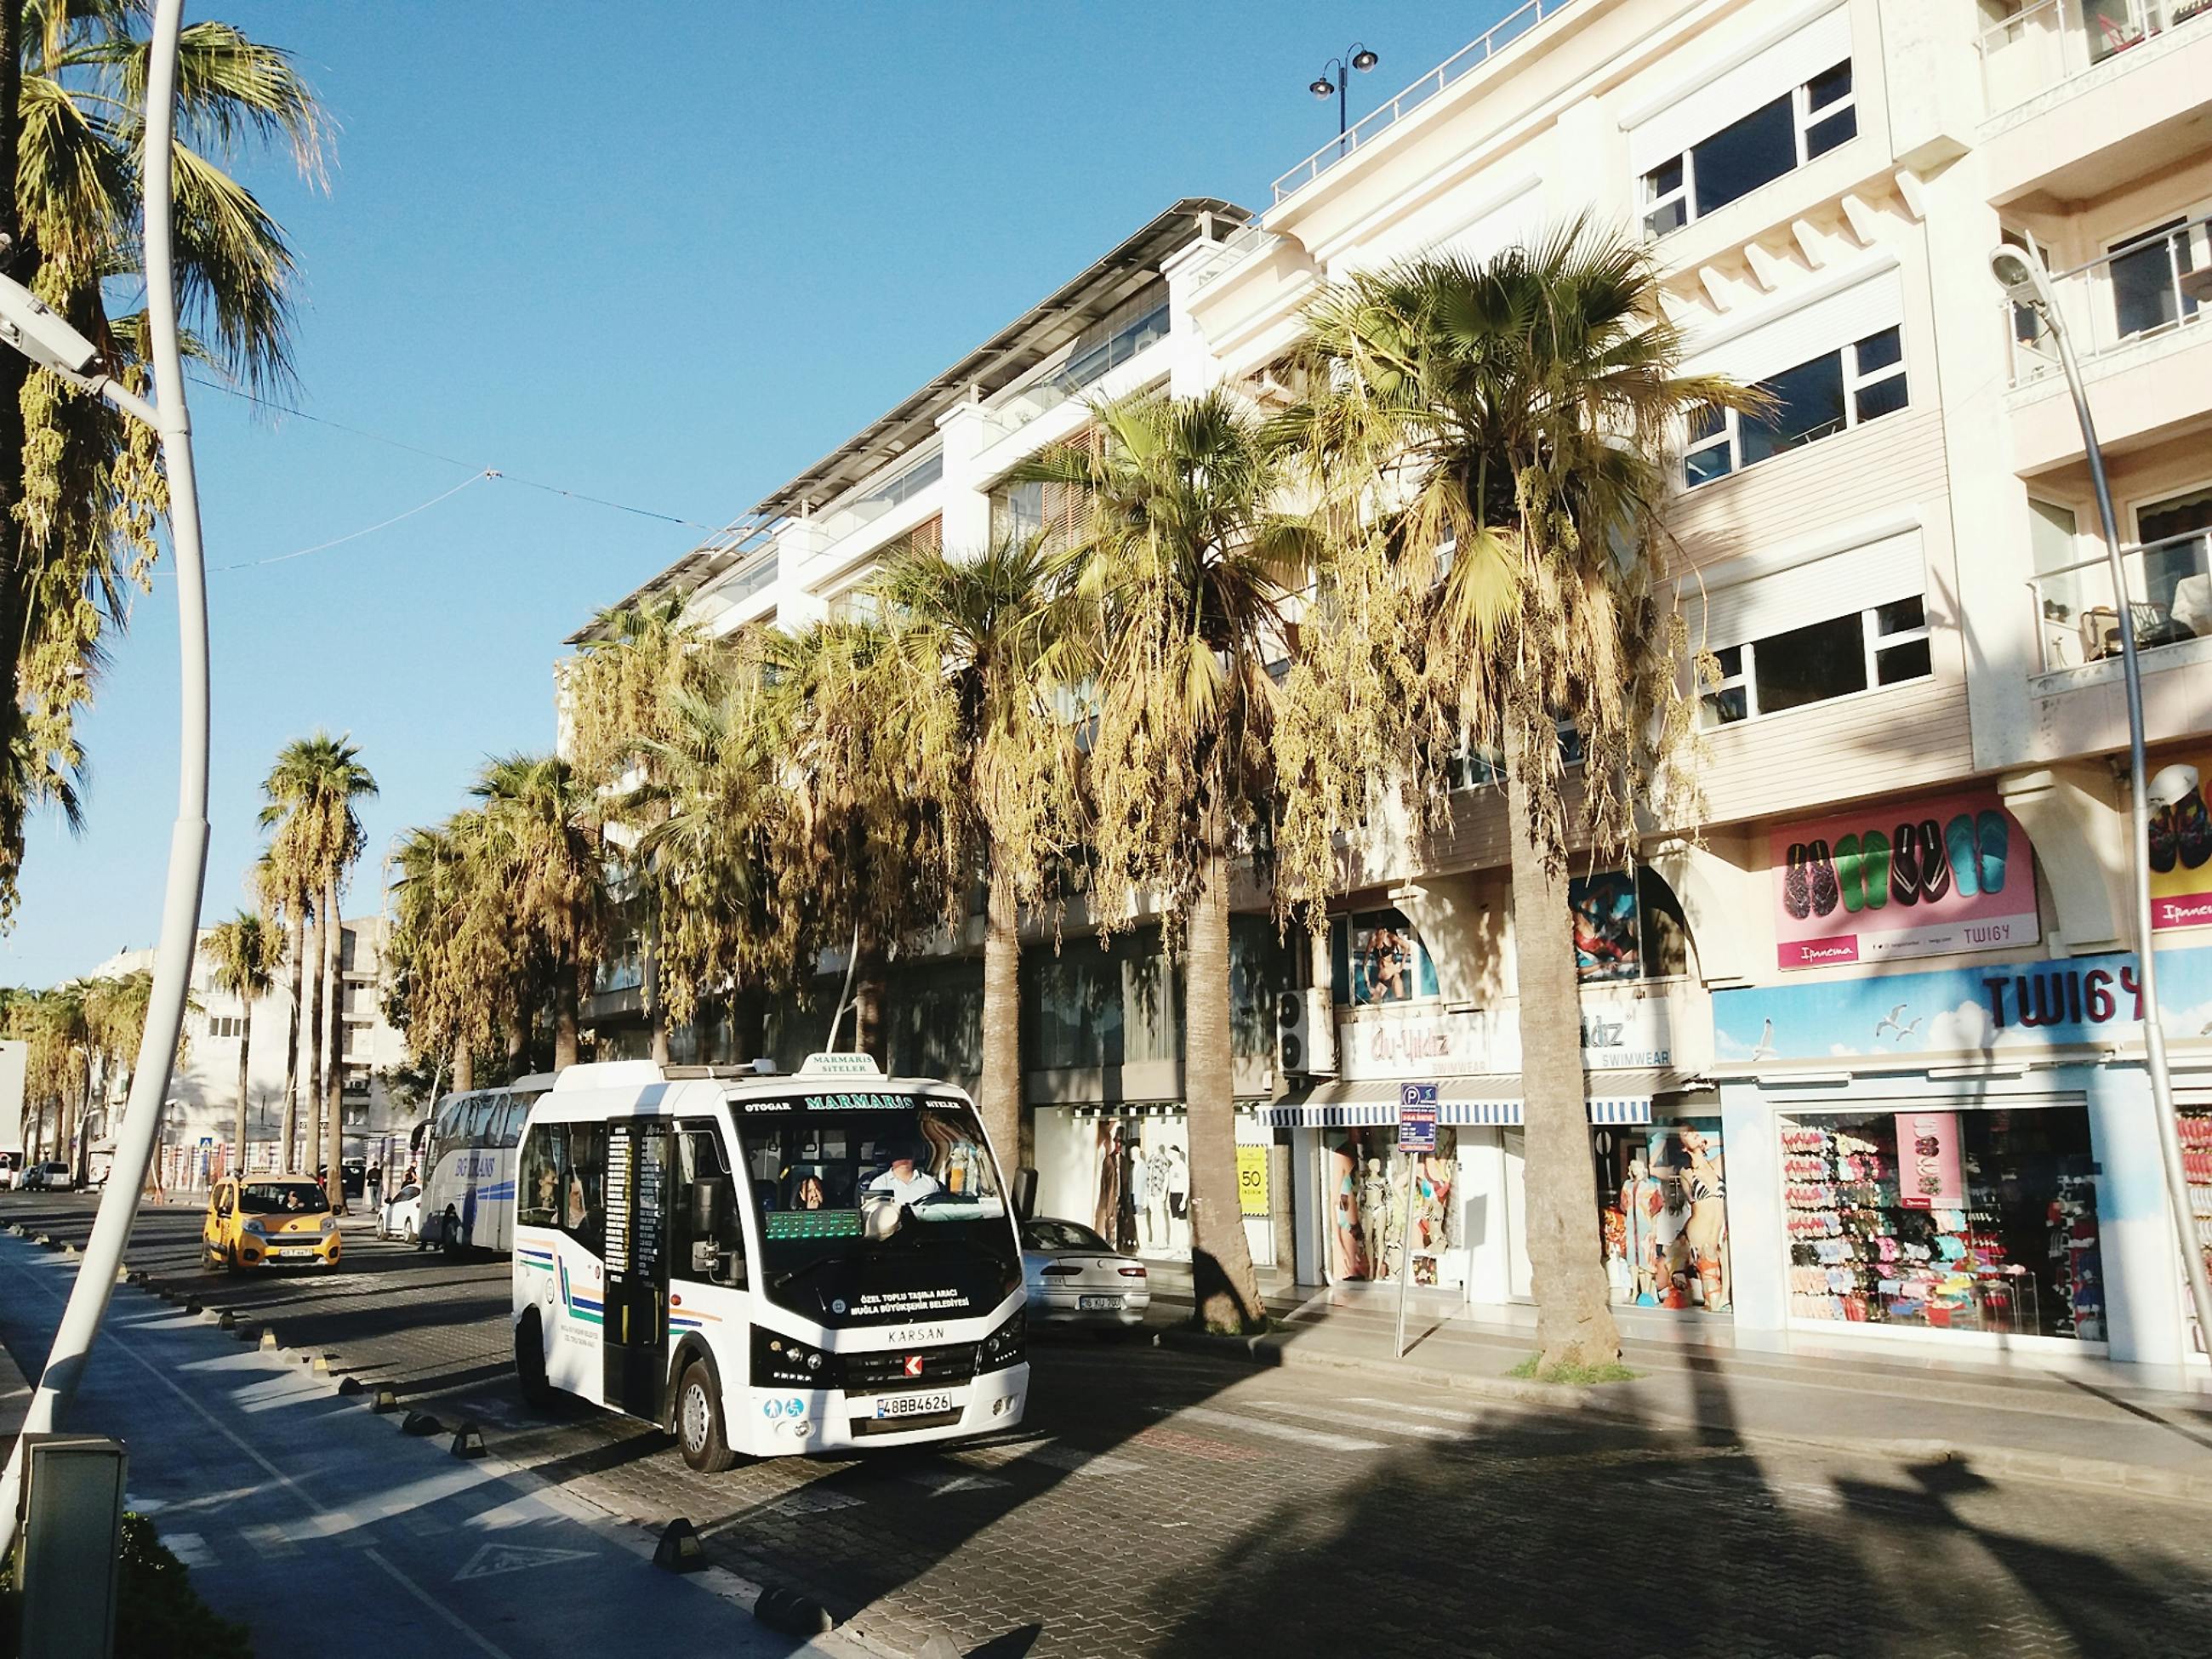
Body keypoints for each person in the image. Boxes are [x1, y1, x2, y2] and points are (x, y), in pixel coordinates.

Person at [869, 1145, 943, 1209]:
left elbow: (939, 1211)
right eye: (899, 1153)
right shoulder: (879, 1184)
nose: (903, 1157)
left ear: (914, 1155)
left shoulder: (930, 1183)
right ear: (891, 1156)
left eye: (908, 1153)